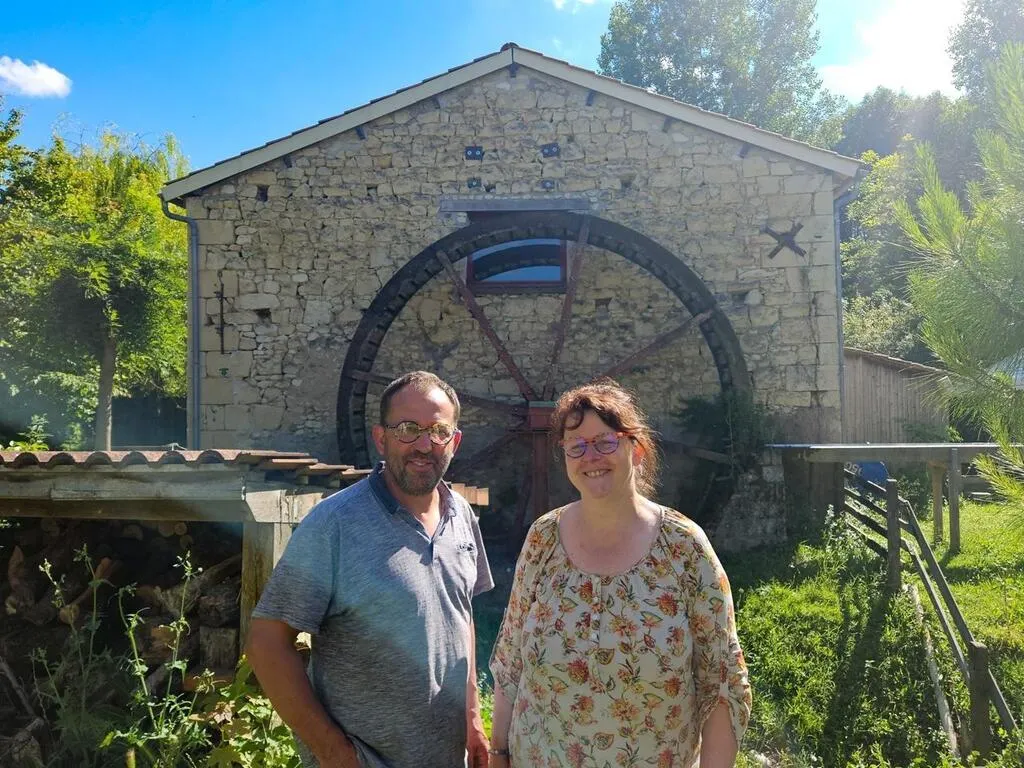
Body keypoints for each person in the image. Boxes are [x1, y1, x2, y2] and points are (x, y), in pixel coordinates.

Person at [488, 379, 751, 768]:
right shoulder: (543, 538)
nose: (590, 456)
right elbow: (511, 660)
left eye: (605, 442)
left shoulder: (683, 547)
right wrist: (499, 753)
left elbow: (721, 684)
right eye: (576, 445)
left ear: (637, 449)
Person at [247, 371, 494, 768]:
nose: (424, 445)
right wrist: (333, 752)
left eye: (438, 430)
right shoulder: (335, 524)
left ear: (455, 440)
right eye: (408, 429)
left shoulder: (461, 515)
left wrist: (472, 719)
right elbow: (266, 643)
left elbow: (459, 614)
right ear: (381, 438)